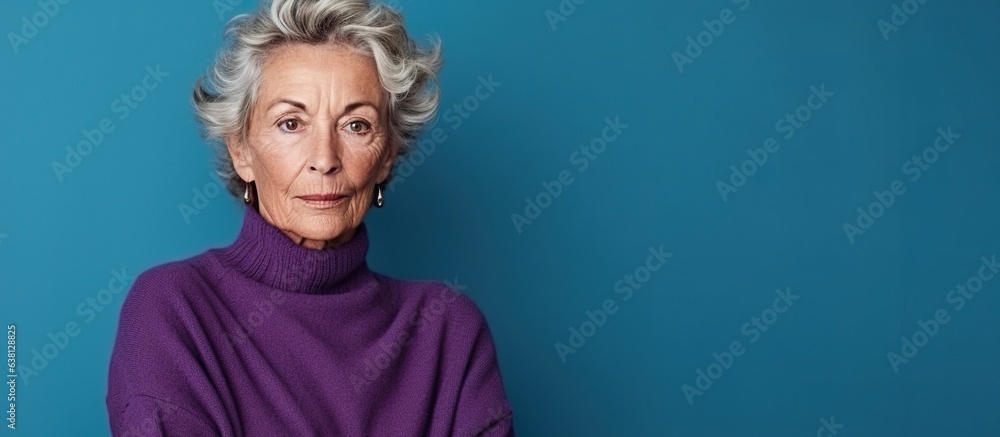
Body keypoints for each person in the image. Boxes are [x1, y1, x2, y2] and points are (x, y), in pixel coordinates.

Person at [105, 0, 514, 435]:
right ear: (241, 150)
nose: (324, 159)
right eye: (291, 123)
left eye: (356, 125)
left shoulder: (447, 330)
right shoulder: (174, 310)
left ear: (387, 158)